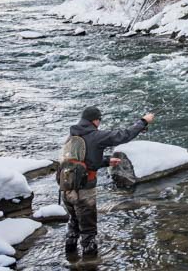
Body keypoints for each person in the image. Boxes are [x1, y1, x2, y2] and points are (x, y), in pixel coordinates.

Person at [62, 106, 154, 257]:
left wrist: (105, 161)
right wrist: (143, 121)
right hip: (84, 189)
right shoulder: (95, 135)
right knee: (89, 230)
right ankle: (90, 262)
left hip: (66, 186)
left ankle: (70, 255)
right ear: (95, 120)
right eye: (100, 120)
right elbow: (123, 136)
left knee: (74, 222)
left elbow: (81, 159)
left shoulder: (72, 136)